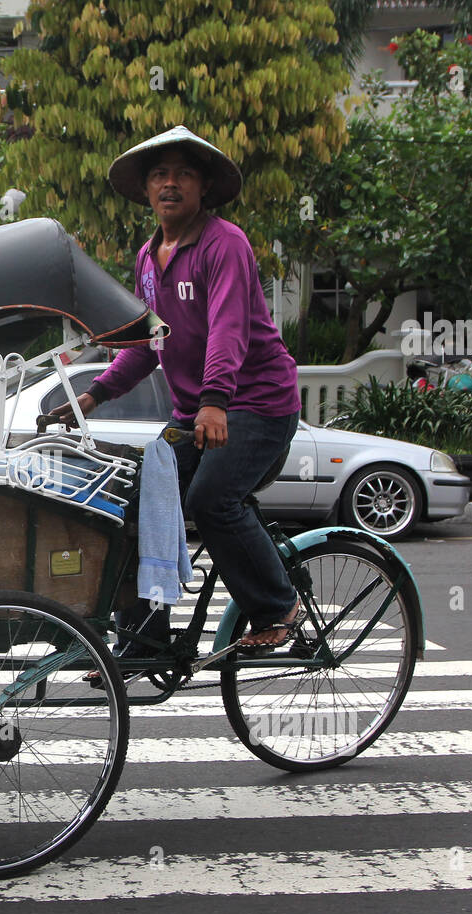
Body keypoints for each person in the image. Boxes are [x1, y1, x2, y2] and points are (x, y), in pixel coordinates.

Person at [48, 125, 303, 652]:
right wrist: (92, 396)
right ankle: (146, 639)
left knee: (212, 499)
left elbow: (229, 327)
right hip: (197, 412)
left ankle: (278, 605)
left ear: (203, 187)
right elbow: (147, 344)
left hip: (256, 404)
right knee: (140, 502)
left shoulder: (223, 244)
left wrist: (213, 400)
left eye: (183, 174)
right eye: (160, 175)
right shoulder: (148, 258)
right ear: (146, 190)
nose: (170, 184)